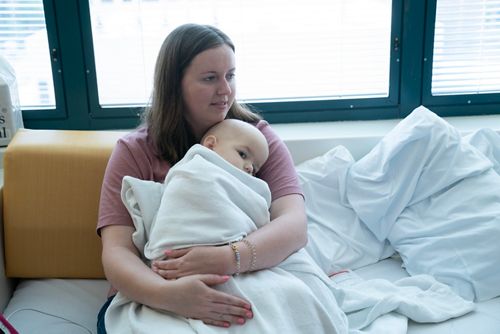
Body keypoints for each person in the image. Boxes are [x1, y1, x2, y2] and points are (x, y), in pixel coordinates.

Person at [96, 23, 307, 332]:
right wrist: (169, 296)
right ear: (174, 84)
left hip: (247, 273)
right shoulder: (135, 151)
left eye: (230, 76)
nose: (225, 90)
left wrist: (228, 258)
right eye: (210, 78)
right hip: (159, 286)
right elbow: (116, 252)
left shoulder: (257, 140)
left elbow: (294, 225)